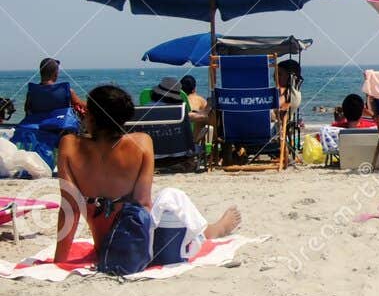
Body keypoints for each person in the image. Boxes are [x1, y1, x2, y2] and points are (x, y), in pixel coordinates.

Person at [53, 85, 241, 271]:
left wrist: (59, 260)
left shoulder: (69, 145)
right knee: (173, 195)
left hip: (104, 247)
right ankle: (213, 230)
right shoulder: (141, 142)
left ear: (91, 117)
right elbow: (143, 203)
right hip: (134, 243)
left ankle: (211, 229)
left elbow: (70, 208)